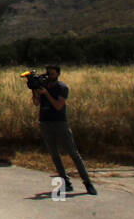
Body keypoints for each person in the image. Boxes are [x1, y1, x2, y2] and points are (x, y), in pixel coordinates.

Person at [33, 64, 96, 195]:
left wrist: (46, 93)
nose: (49, 76)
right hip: (45, 122)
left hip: (59, 122)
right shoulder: (43, 86)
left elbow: (58, 105)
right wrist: (36, 91)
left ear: (57, 74)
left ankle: (87, 182)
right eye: (47, 73)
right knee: (54, 154)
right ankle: (65, 181)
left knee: (73, 153)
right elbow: (36, 103)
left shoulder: (62, 88)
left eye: (52, 73)